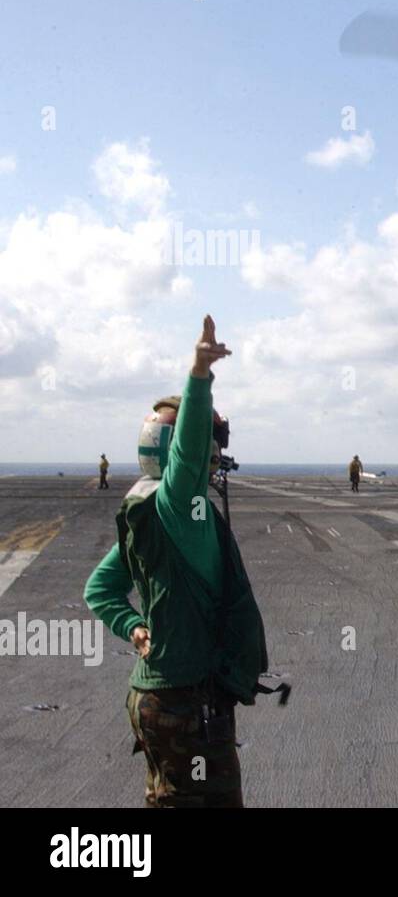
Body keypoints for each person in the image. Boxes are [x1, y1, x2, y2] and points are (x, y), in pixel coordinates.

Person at [84, 315, 269, 808]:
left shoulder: (146, 512)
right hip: (184, 705)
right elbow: (186, 457)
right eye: (207, 439)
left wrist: (133, 627)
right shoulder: (176, 506)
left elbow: (99, 589)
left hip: (157, 700)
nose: (212, 450)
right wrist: (200, 373)